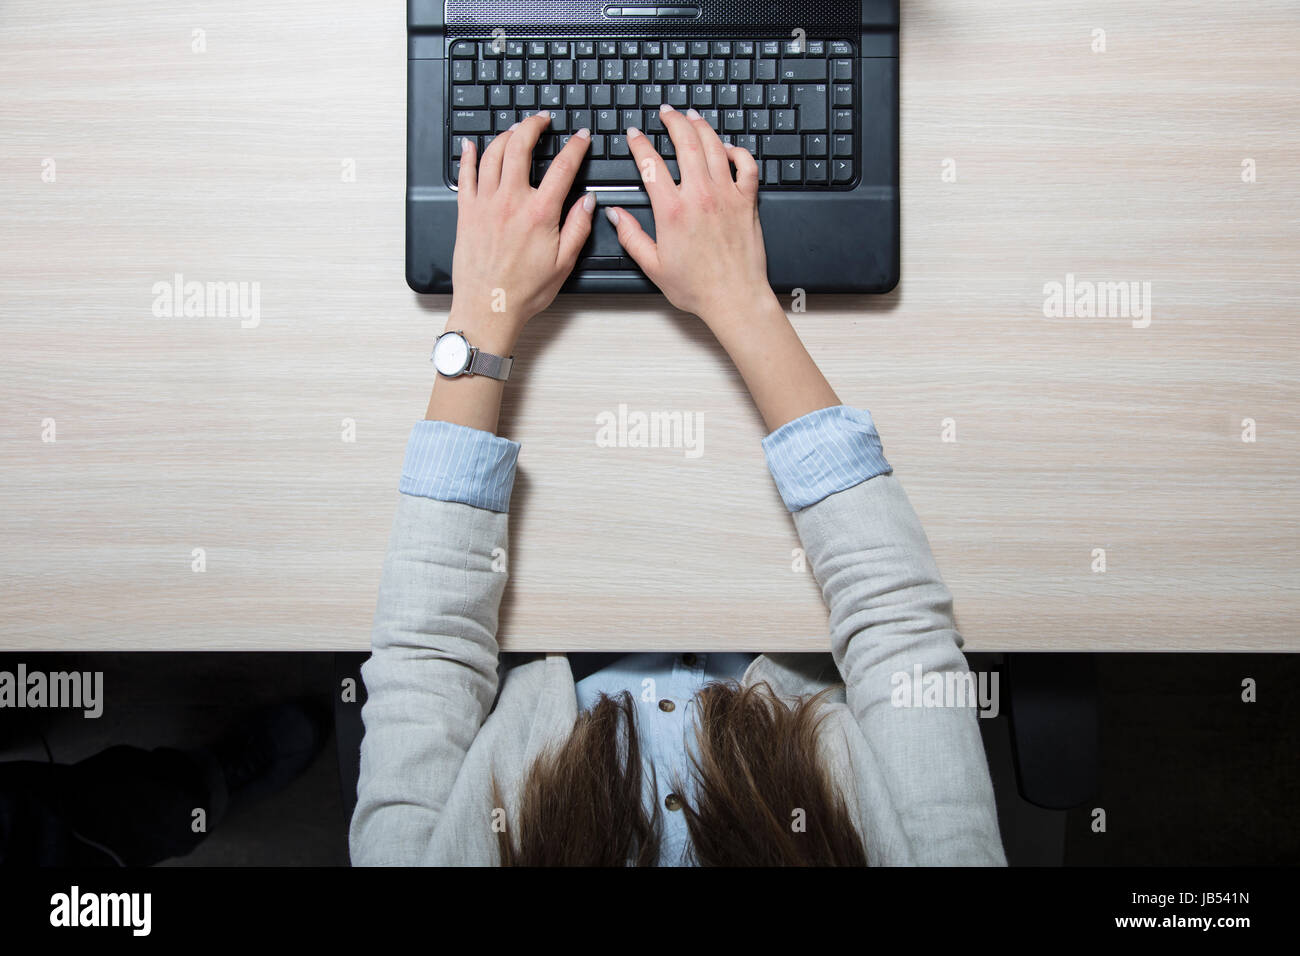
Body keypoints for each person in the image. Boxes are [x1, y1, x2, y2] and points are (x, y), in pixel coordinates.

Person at [349, 105, 1005, 866]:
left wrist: (483, 317)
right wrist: (743, 304)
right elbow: (901, 635)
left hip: (558, 658)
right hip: (780, 644)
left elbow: (426, 653)